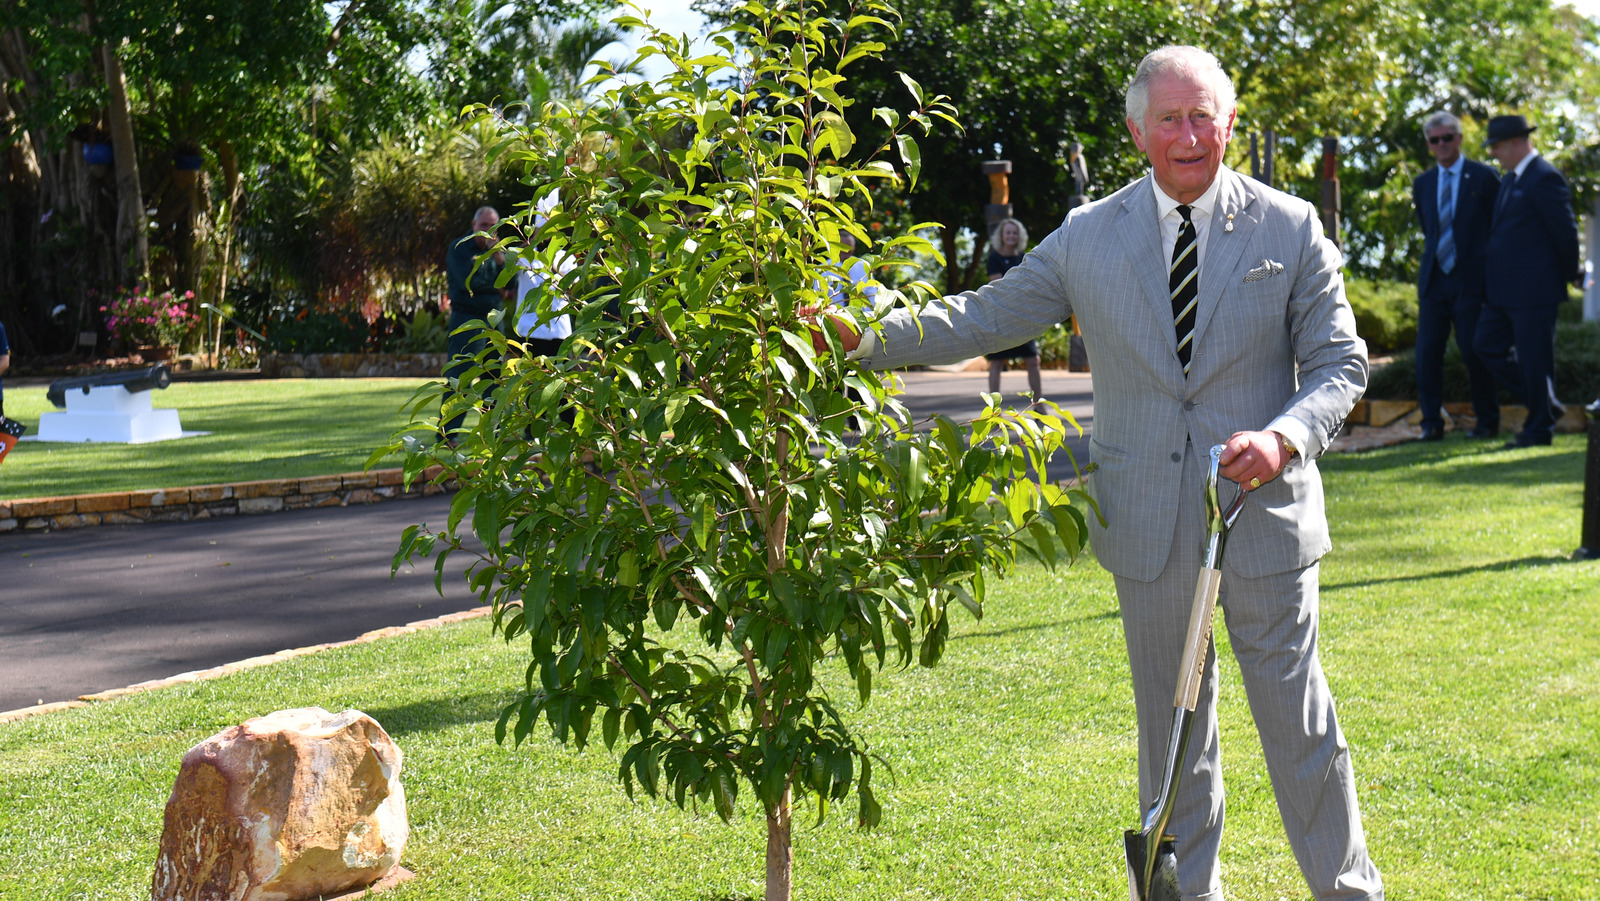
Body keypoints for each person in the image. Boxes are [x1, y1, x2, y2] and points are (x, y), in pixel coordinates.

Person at [820, 45, 1383, 900]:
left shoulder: (1289, 226)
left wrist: (1284, 439)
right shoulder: (1089, 237)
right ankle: (1186, 892)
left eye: (1204, 117)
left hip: (1263, 521)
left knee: (1300, 729)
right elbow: (981, 315)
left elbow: (1341, 364)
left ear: (1230, 122)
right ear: (1136, 131)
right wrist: (858, 339)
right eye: (1170, 119)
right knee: (1172, 741)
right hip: (1148, 524)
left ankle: (1349, 889)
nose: (1189, 136)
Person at [1477, 114, 1581, 449]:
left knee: (1535, 361)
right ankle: (1545, 404)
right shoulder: (1511, 179)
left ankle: (1539, 429)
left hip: (1536, 291)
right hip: (1504, 291)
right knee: (1485, 345)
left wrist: (1567, 276)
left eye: (1496, 146)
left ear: (1516, 142)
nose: (1493, 153)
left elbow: (1565, 235)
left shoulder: (1544, 177)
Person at [1411, 111, 1503, 441]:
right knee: (1426, 356)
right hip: (1435, 281)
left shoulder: (1484, 177)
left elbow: (1498, 229)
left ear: (1459, 139)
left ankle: (1487, 422)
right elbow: (1430, 228)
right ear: (1429, 145)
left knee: (1474, 352)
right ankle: (1431, 424)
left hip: (1472, 283)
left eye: (1447, 138)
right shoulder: (1422, 184)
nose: (1441, 145)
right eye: (1434, 140)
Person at [442, 205, 508, 440]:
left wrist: (499, 258)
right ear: (473, 225)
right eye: (483, 226)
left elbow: (511, 283)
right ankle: (447, 435)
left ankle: (496, 433)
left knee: (495, 379)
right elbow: (469, 283)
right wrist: (497, 286)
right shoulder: (459, 248)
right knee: (460, 378)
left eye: (493, 226)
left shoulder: (500, 251)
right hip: (466, 320)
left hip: (493, 322)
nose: (487, 231)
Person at [984, 217, 1044, 402]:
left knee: (1033, 361)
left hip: (1022, 316)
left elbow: (1030, 283)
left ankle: (1038, 404)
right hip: (1001, 315)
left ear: (1019, 236)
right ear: (1002, 236)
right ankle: (994, 409)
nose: (1011, 235)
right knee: (996, 362)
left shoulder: (1023, 257)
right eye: (1008, 232)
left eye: (1014, 232)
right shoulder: (994, 258)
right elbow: (999, 286)